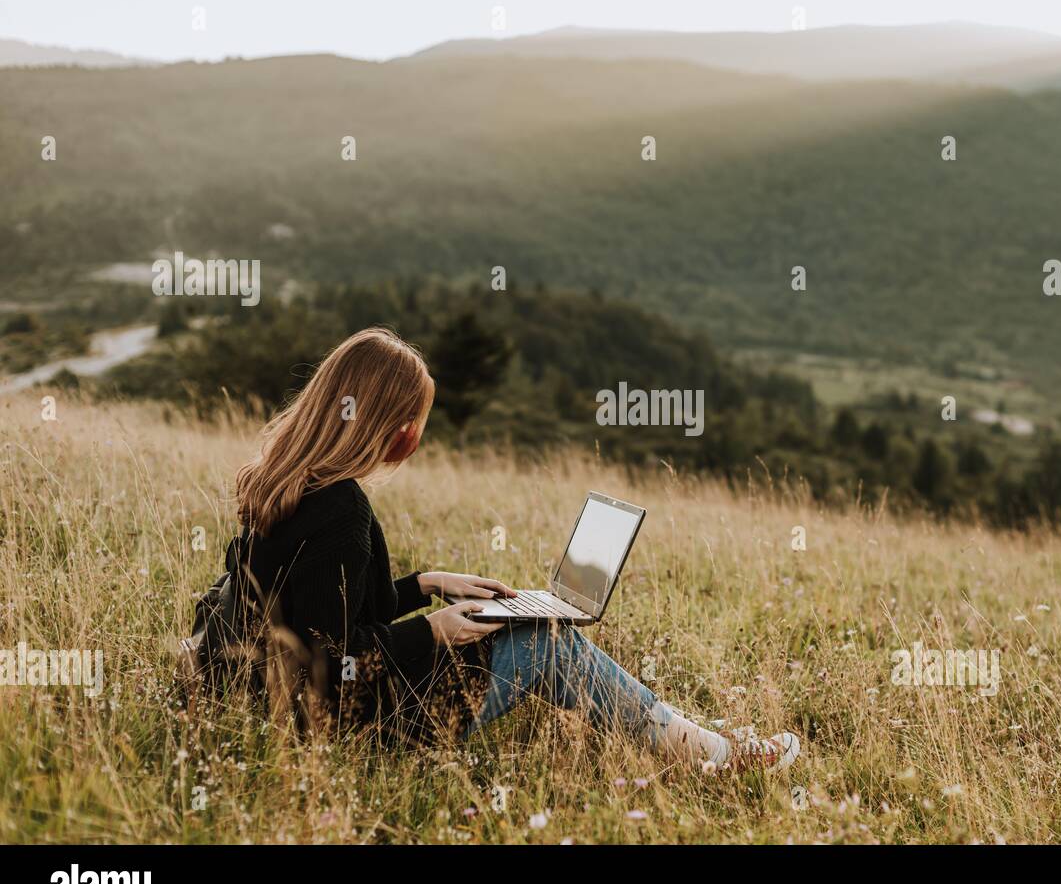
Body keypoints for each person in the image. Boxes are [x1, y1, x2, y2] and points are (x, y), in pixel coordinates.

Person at [229, 327, 799, 773]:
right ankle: (712, 758)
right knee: (547, 644)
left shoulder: (286, 482)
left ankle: (698, 744)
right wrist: (434, 631)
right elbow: (331, 662)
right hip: (359, 725)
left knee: (528, 632)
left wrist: (426, 584)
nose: (412, 437)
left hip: (306, 708)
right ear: (388, 425)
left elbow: (322, 609)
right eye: (412, 422)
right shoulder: (342, 512)